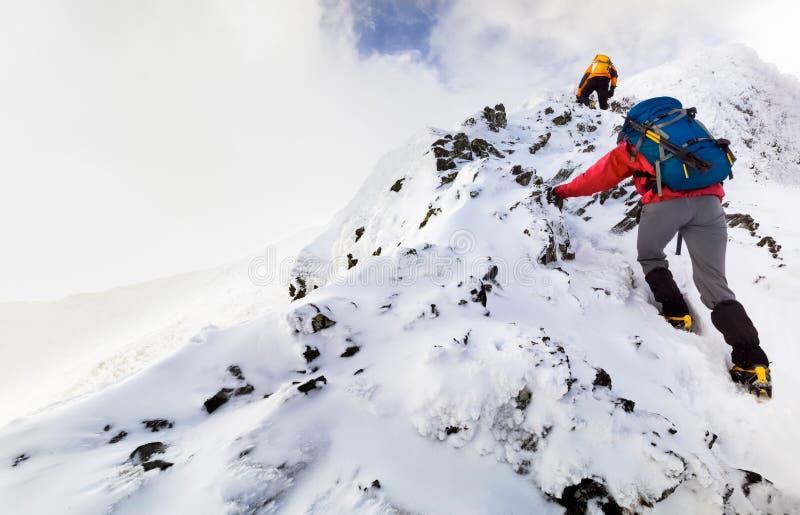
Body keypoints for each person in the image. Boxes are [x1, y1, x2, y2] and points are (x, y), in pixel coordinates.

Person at [551, 108, 772, 398]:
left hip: (665, 204)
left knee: (652, 256)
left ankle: (677, 314)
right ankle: (752, 362)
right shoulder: (694, 135)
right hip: (711, 206)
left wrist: (563, 191)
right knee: (716, 285)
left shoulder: (638, 143)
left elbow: (598, 178)